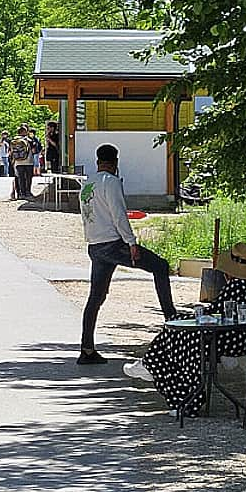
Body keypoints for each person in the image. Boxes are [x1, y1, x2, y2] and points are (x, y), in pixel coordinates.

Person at [125, 243, 246, 416]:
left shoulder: (236, 286)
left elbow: (217, 313)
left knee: (184, 336)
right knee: (179, 329)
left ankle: (174, 385)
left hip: (231, 337)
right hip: (236, 335)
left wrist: (200, 313)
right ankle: (153, 367)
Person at [79, 144, 177, 364]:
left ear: (97, 162)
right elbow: (118, 214)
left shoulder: (88, 184)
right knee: (160, 266)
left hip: (95, 245)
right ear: (115, 162)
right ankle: (173, 321)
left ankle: (86, 348)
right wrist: (131, 242)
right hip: (114, 244)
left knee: (96, 297)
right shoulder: (111, 182)